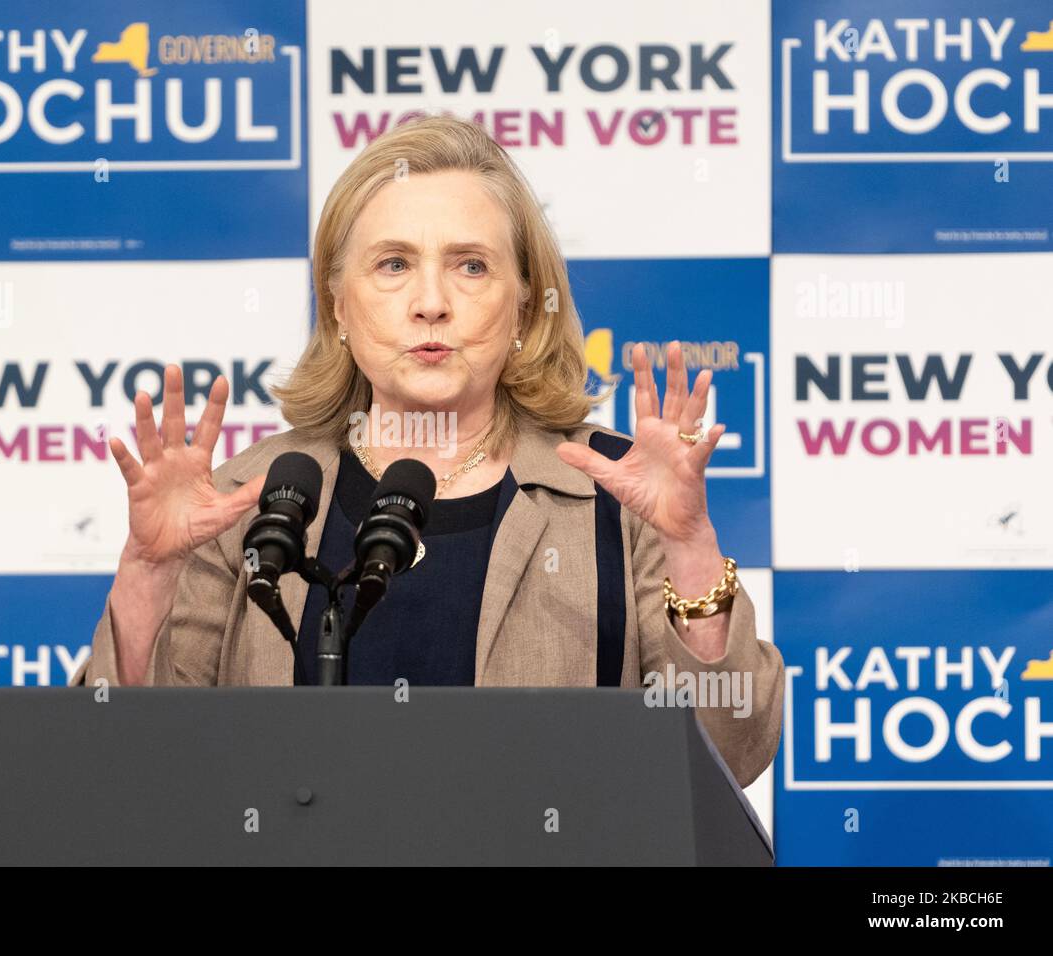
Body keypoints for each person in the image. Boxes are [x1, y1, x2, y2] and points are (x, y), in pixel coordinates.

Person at [70, 115, 783, 788]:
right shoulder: (250, 500)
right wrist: (147, 571)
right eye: (393, 265)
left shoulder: (615, 496)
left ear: (527, 308)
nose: (431, 302)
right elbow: (124, 769)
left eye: (471, 266)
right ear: (339, 307)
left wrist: (689, 546)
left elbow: (730, 755)